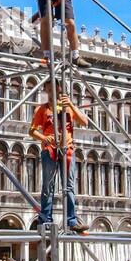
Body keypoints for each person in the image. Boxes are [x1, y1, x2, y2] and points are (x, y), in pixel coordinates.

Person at [29, 79, 89, 234]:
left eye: (54, 89)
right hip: (49, 149)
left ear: (59, 88)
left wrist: (71, 105)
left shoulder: (68, 108)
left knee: (68, 186)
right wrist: (43, 138)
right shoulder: (42, 109)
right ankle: (46, 219)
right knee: (48, 186)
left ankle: (71, 220)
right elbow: (32, 130)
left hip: (67, 148)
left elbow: (84, 122)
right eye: (48, 89)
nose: (51, 92)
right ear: (46, 90)